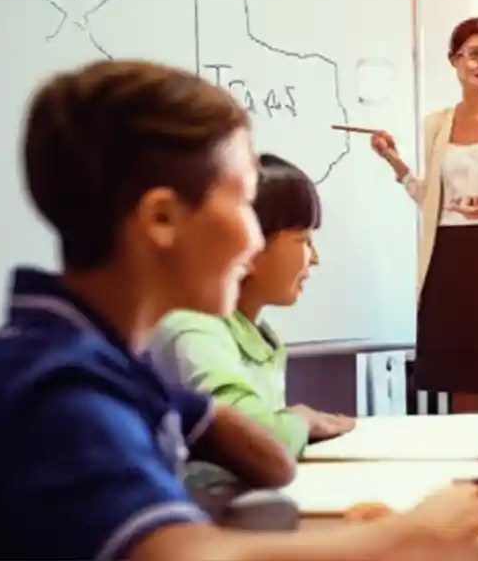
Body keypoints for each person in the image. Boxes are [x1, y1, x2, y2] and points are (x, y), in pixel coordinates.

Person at [0, 61, 478, 560]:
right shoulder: (57, 388)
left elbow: (269, 463)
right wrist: (405, 535)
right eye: (245, 201)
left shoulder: (106, 362)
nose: (253, 239)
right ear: (162, 220)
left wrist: (205, 417)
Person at [371, 17, 478, 414]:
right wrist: (393, 160)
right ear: (455, 61)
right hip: (448, 256)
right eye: (474, 53)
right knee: (462, 384)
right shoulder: (436, 124)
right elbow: (429, 198)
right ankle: (465, 473)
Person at [152, 153, 355, 460]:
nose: (314, 258)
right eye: (303, 239)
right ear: (250, 243)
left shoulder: (260, 334)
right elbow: (253, 440)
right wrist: (296, 423)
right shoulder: (193, 326)